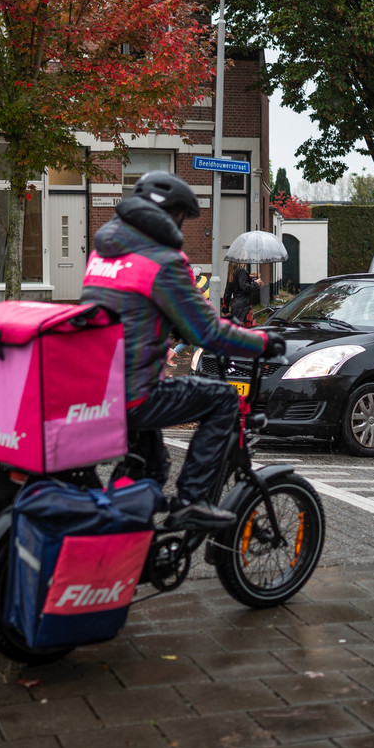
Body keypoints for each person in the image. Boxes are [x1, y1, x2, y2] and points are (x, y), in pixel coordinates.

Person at [81, 172, 284, 530]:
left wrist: (168, 327)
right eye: (182, 219)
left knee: (152, 465)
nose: (181, 227)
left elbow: (130, 311)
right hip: (136, 391)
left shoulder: (104, 254)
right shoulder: (162, 260)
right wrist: (264, 343)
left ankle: (122, 537)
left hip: (97, 386)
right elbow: (206, 331)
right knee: (222, 399)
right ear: (170, 215)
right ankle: (192, 501)